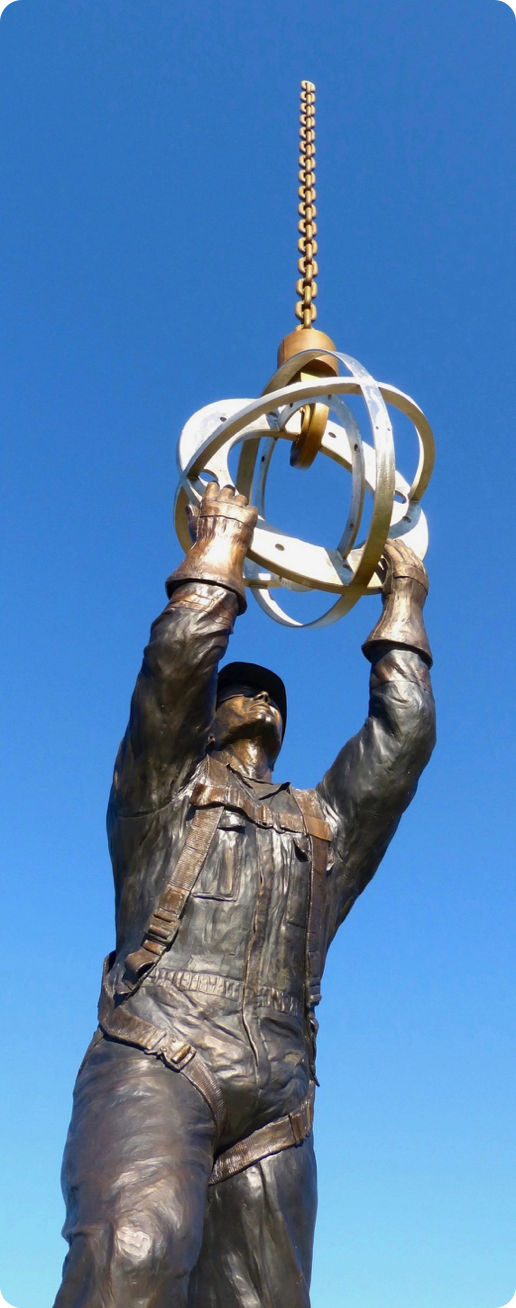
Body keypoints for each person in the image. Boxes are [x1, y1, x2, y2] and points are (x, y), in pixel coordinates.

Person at [54, 481, 436, 1308]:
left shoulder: (323, 825)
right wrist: (220, 552)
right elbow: (173, 673)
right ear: (214, 714)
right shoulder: (163, 791)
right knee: (133, 1256)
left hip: (279, 1098)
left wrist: (402, 603)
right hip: (157, 1055)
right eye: (241, 687)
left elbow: (401, 740)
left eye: (273, 695)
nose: (259, 697)